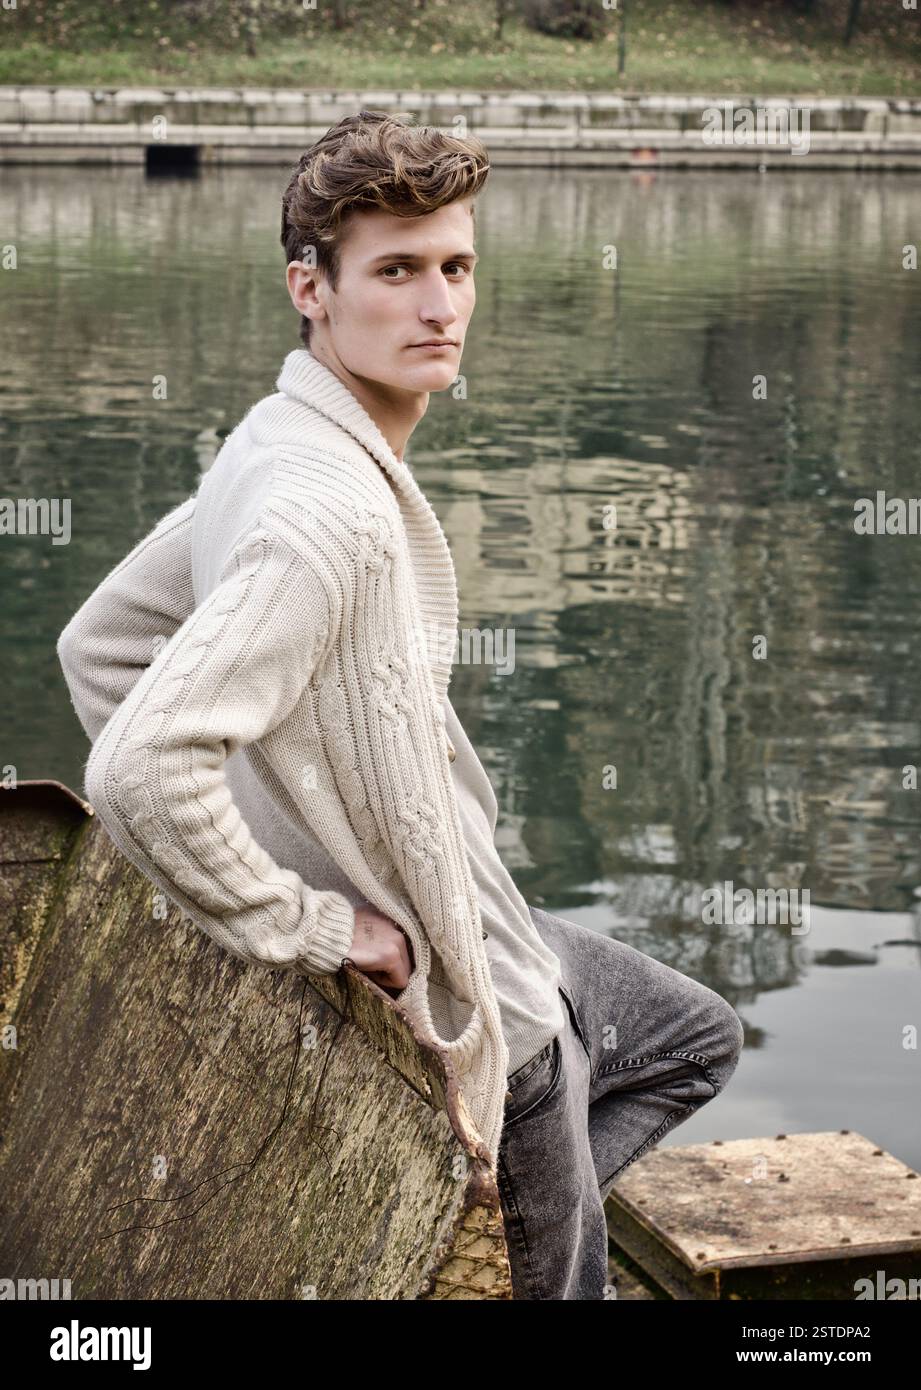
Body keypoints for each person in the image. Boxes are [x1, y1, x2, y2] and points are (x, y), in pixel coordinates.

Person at [56, 109, 743, 1299]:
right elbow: (138, 768)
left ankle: (478, 1204)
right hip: (487, 1017)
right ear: (309, 290)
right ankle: (505, 1213)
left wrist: (312, 845)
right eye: (396, 271)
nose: (440, 307)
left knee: (692, 1038)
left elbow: (102, 644)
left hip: (497, 932)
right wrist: (325, 925)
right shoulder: (324, 515)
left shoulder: (281, 440)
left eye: (456, 267)